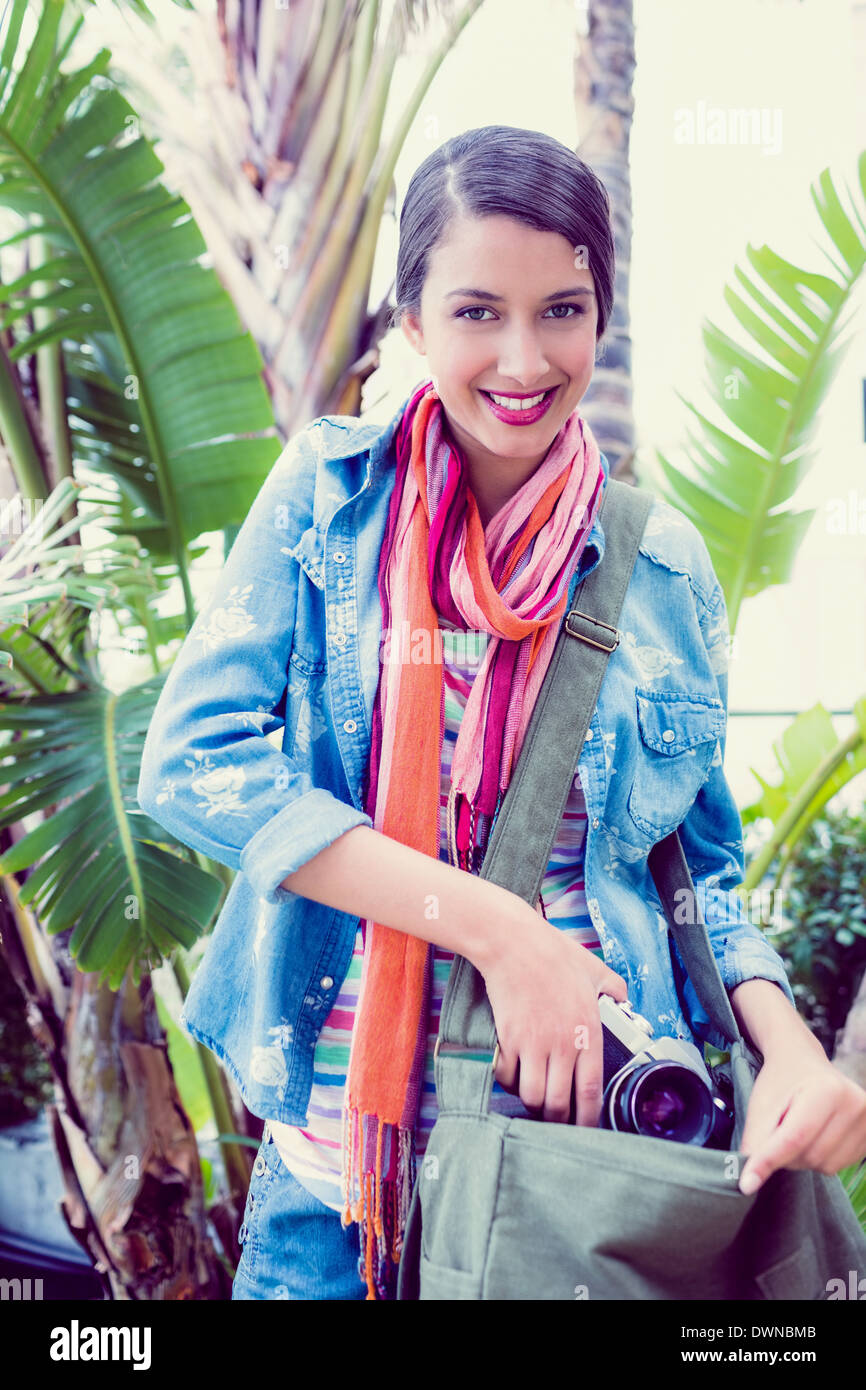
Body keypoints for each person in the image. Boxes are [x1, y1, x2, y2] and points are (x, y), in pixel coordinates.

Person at [137, 125, 866, 1302]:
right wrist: (493, 927)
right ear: (412, 324)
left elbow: (702, 872)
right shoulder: (329, 501)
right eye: (475, 311)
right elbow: (193, 764)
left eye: (562, 310)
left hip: (575, 1182)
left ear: (599, 315)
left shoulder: (657, 562)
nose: (523, 358)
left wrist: (791, 1050)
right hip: (339, 1191)